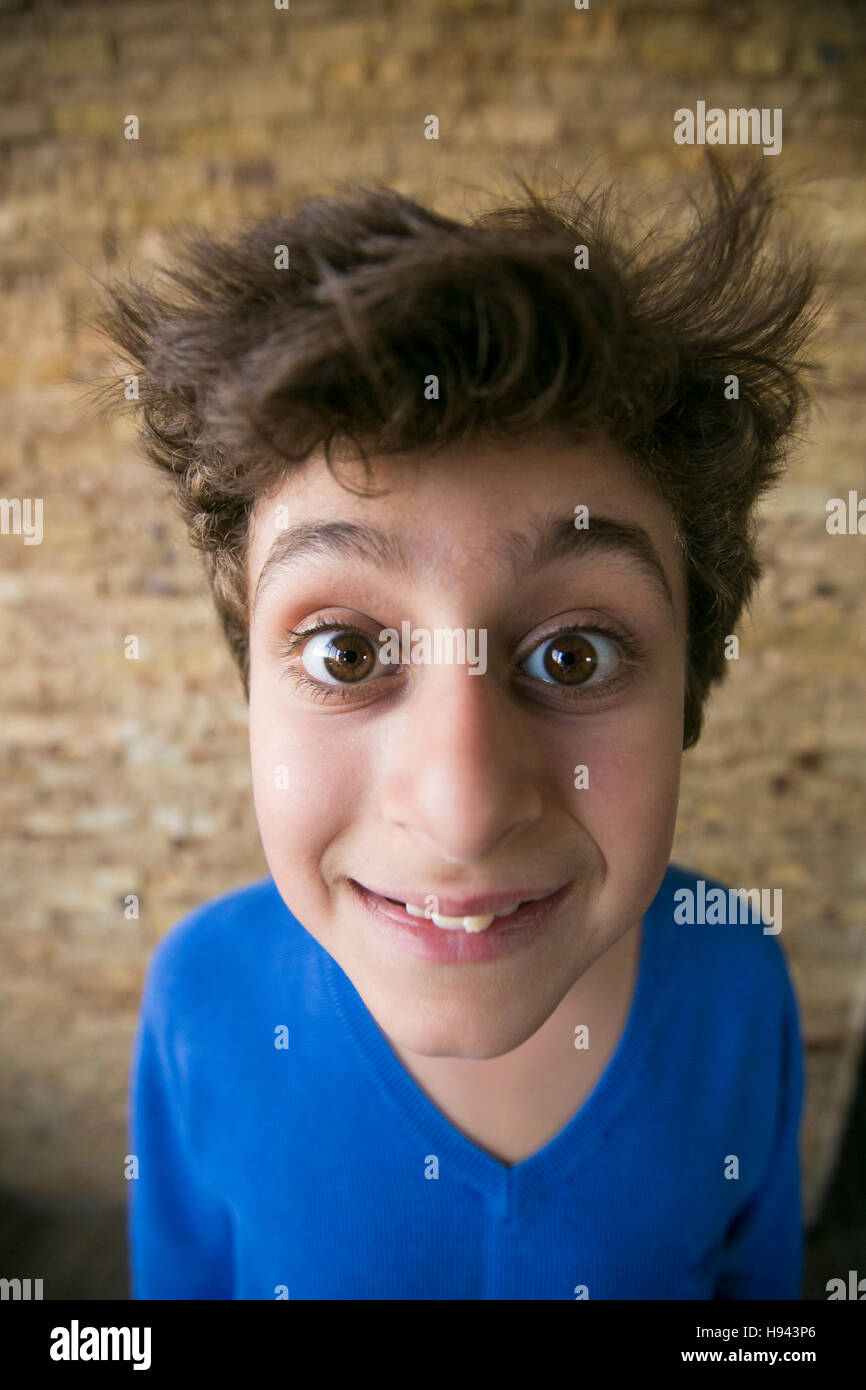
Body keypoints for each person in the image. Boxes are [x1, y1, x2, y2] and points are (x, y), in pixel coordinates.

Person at [91, 154, 822, 1298]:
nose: (463, 807)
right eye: (348, 652)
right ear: (250, 689)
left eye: (570, 655)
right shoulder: (201, 1000)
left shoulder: (736, 982)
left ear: (687, 688)